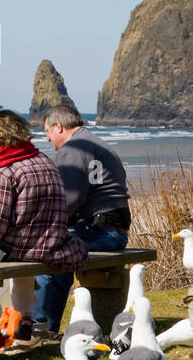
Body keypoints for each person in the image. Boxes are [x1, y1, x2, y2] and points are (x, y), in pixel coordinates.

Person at [0, 102, 86, 340]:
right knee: (18, 251)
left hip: (20, 249)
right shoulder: (44, 161)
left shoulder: (1, 170)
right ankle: (26, 316)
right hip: (52, 247)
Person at [35, 104, 131, 336]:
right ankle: (46, 327)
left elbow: (70, 198)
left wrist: (47, 228)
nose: (48, 139)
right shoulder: (95, 142)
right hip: (113, 230)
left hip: (100, 231)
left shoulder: (74, 148)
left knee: (44, 254)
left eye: (47, 131)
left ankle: (38, 326)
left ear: (59, 126)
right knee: (61, 259)